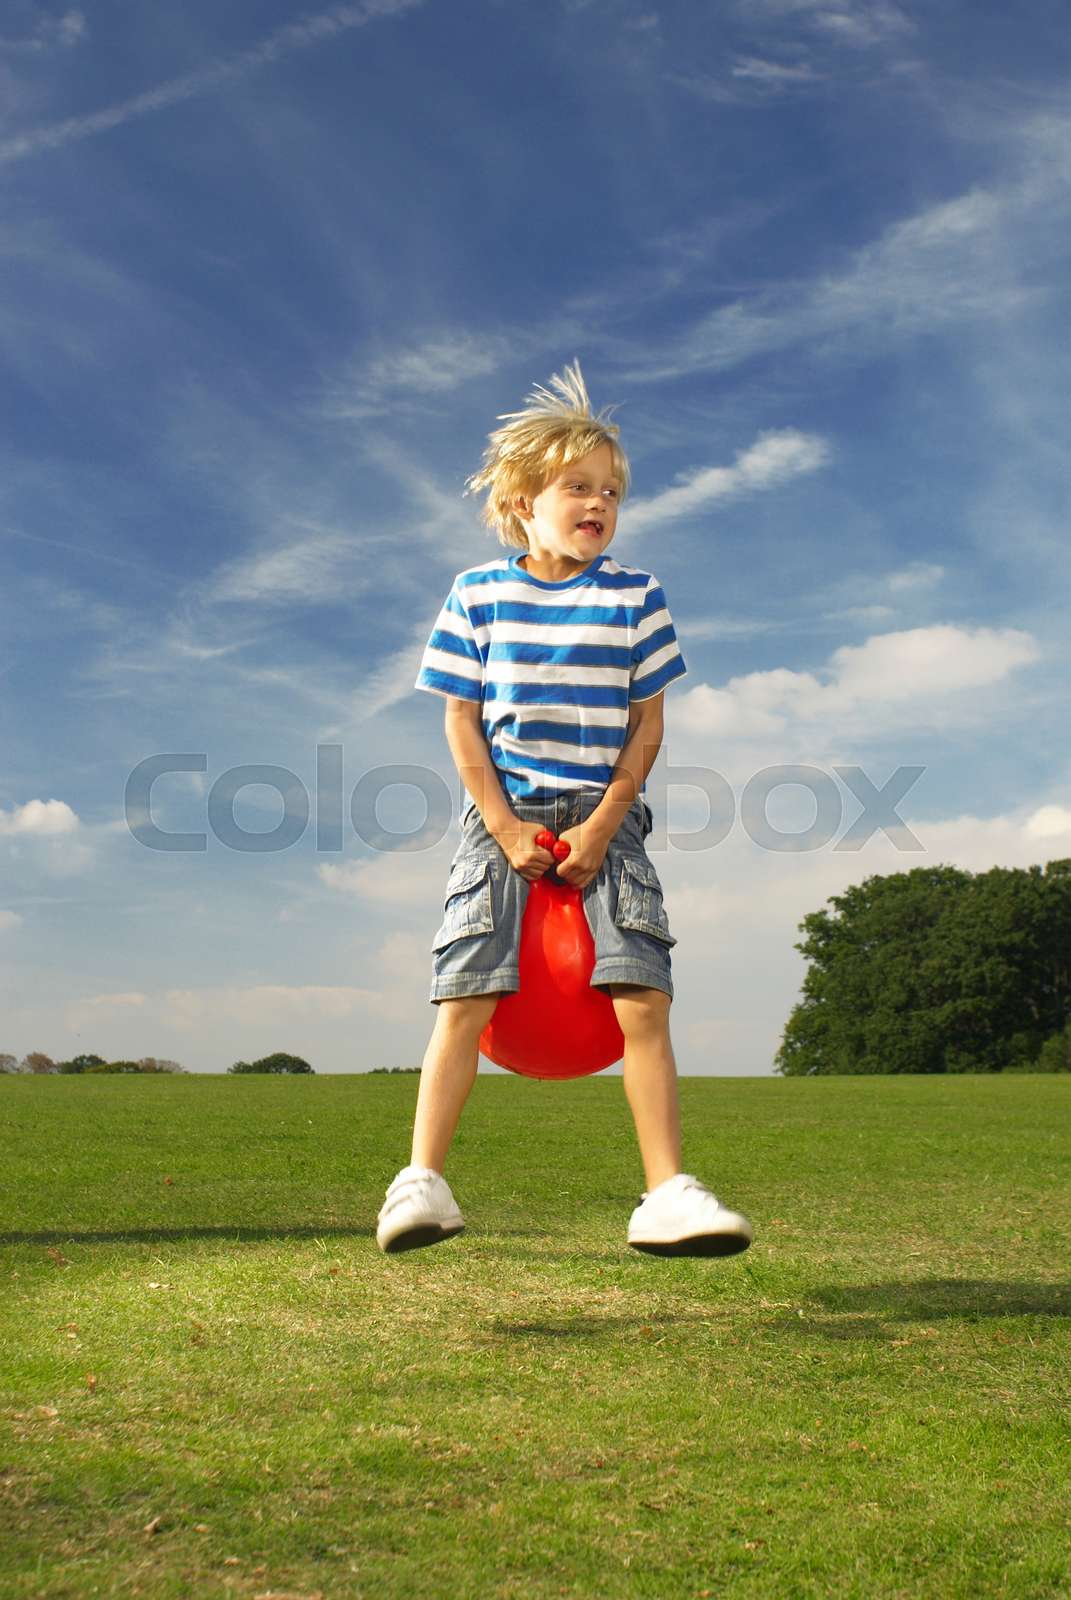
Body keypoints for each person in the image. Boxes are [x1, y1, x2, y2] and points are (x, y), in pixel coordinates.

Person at [376, 361, 753, 1259]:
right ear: (521, 502)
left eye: (611, 492)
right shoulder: (477, 593)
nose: (598, 503)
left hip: (605, 818)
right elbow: (459, 720)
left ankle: (665, 1193)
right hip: (496, 814)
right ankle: (420, 1182)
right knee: (465, 993)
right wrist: (505, 827)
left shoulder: (636, 595)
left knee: (641, 998)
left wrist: (602, 823)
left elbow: (648, 724)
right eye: (577, 487)